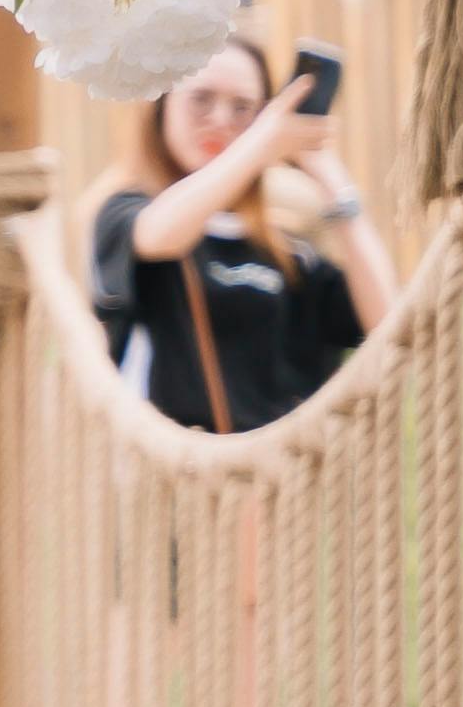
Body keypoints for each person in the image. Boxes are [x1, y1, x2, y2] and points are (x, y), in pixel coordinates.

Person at [89, 37, 397, 433]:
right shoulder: (125, 212)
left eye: (242, 108)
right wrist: (260, 143)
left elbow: (386, 324)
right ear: (163, 105)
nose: (220, 119)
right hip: (174, 476)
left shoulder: (287, 249)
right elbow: (162, 235)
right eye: (201, 99)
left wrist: (333, 183)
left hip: (276, 478)